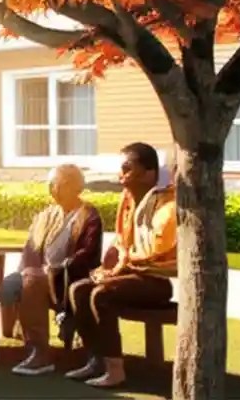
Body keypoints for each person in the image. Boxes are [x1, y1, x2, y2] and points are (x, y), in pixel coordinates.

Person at [65, 142, 177, 388]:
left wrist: (115, 269)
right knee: (79, 289)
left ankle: (115, 370)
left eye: (127, 168)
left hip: (156, 282)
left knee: (102, 294)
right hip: (130, 276)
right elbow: (122, 240)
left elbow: (153, 252)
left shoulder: (169, 205)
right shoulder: (128, 200)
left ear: (149, 173)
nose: (121, 174)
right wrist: (110, 263)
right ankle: (96, 360)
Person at [0, 163, 104, 376]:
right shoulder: (45, 216)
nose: (52, 189)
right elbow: (30, 251)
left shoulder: (89, 216)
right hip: (39, 276)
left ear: (74, 187)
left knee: (32, 280)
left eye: (57, 184)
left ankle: (40, 355)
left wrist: (56, 269)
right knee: (20, 280)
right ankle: (28, 344)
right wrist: (32, 271)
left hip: (68, 278)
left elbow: (88, 254)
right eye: (50, 184)